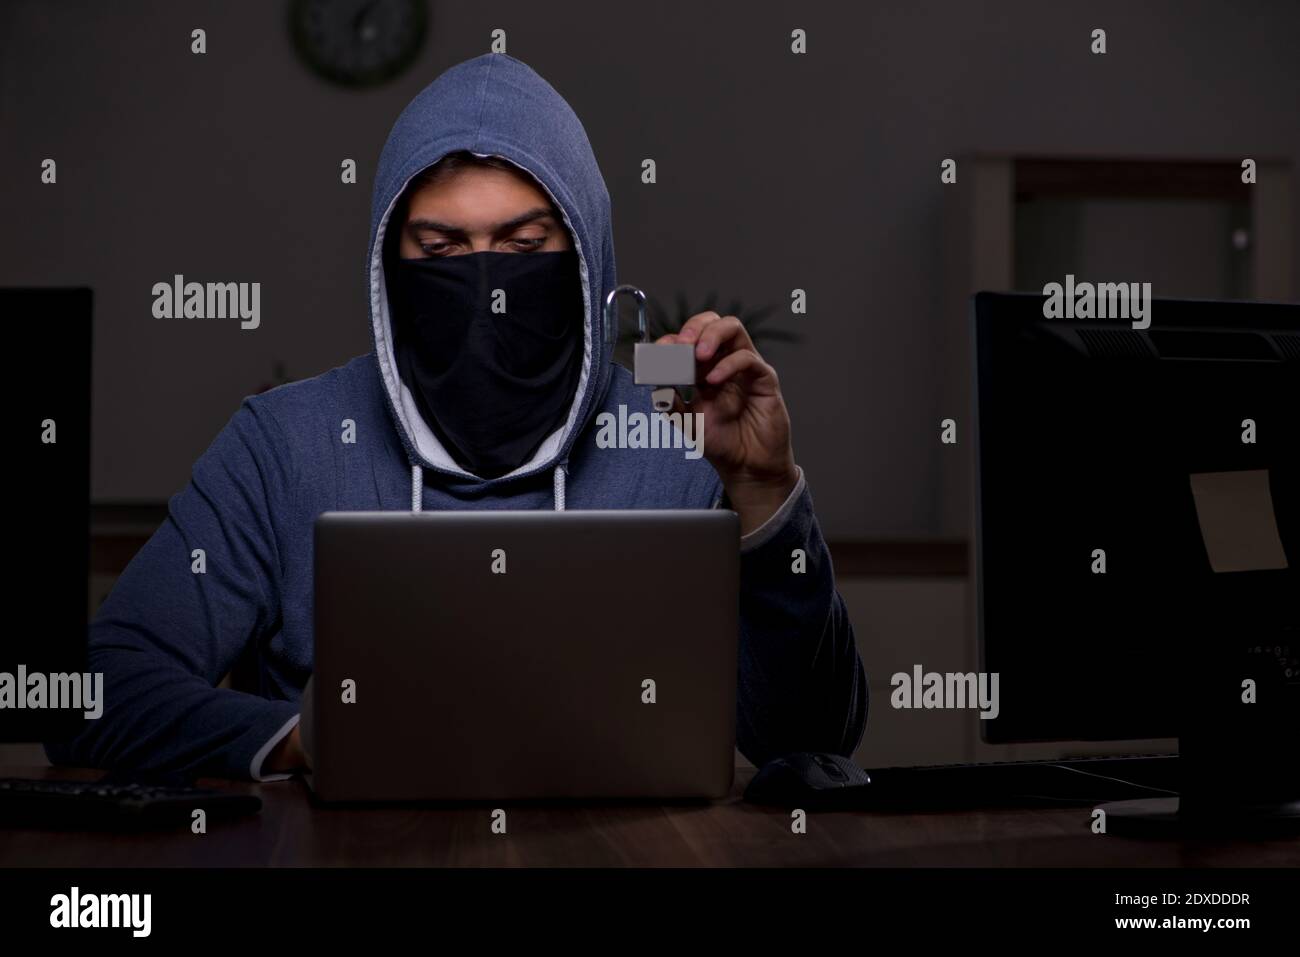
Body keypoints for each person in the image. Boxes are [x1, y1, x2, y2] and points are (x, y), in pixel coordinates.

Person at [47, 52, 866, 781]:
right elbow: (93, 688)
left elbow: (813, 739)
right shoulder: (282, 447)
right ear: (387, 267)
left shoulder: (682, 439)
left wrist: (764, 494)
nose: (490, 288)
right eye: (440, 251)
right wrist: (300, 739)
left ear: (586, 261)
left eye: (521, 246)